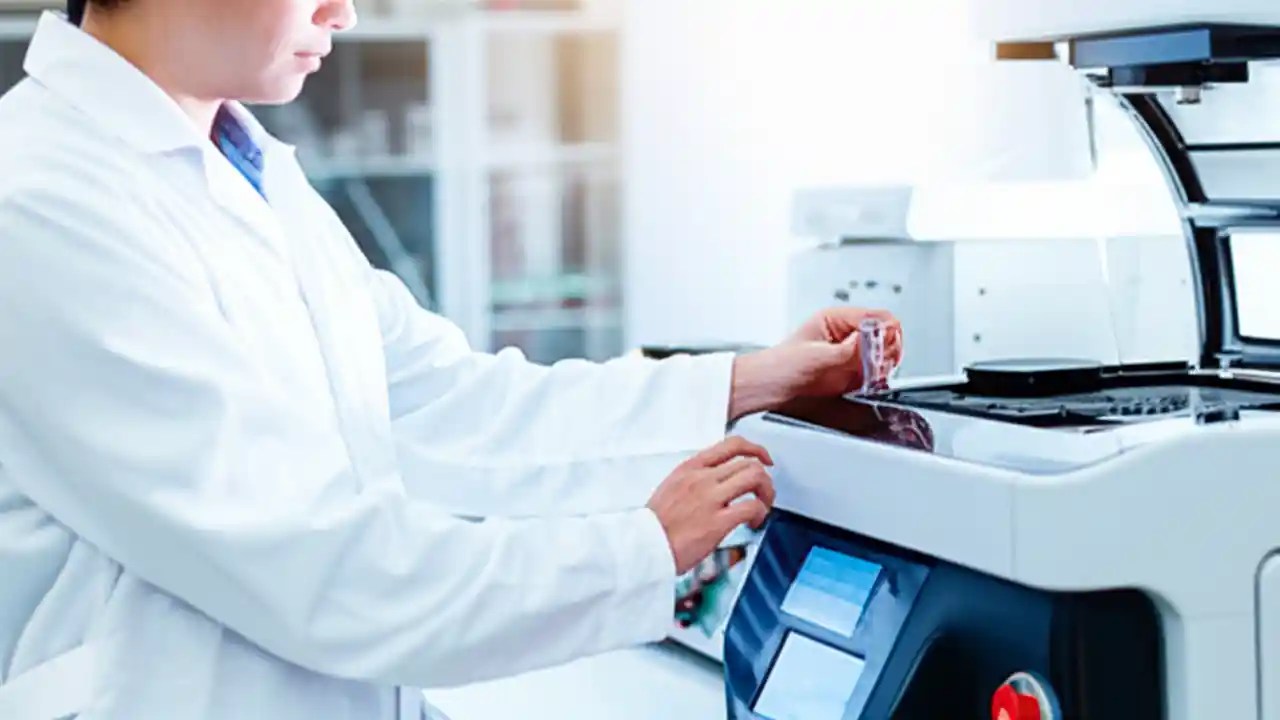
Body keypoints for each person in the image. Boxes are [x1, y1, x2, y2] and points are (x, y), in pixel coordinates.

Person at [0, 1, 904, 718]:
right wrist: (637, 548)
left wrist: (747, 381)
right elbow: (313, 565)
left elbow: (452, 400)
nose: (344, 12)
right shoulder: (42, 198)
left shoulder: (245, 170)